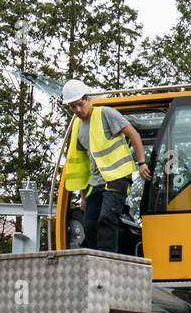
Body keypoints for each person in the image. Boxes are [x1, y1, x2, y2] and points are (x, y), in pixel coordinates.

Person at [60, 79, 152, 253]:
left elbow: (133, 134)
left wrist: (141, 163)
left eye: (80, 104)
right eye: (73, 107)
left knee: (107, 219)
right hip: (95, 183)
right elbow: (84, 164)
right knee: (89, 224)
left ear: (87, 99)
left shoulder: (106, 114)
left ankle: (107, 262)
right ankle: (95, 260)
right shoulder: (78, 127)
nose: (78, 110)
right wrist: (83, 196)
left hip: (118, 178)